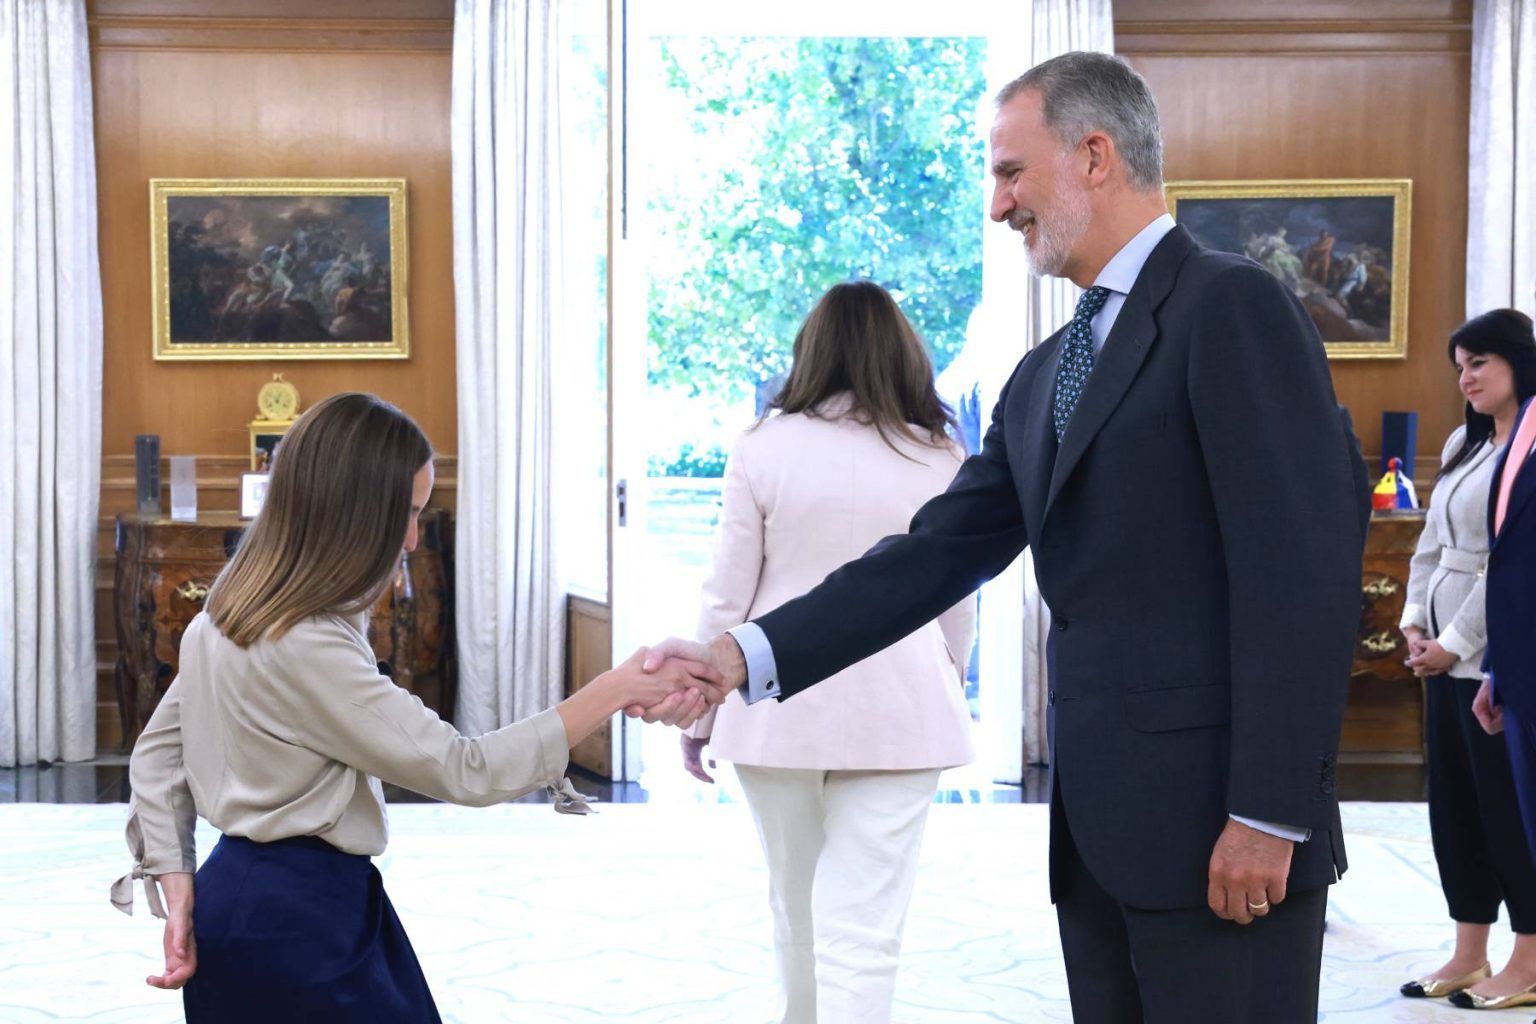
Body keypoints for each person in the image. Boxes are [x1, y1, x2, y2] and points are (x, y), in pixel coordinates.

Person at [644, 51, 1367, 1024]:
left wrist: (1270, 809)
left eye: (1010, 172)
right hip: (1101, 842)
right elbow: (932, 556)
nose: (997, 205)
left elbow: (1301, 574)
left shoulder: (1229, 306)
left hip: (1223, 833)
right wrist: (742, 654)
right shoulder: (1045, 374)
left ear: (1096, 155)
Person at [111, 392, 725, 1023]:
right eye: (405, 513)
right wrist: (617, 687)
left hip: (246, 902)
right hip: (297, 926)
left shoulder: (227, 614)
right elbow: (467, 769)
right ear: (351, 512)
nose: (410, 537)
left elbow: (158, 754)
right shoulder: (306, 642)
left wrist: (176, 874)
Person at [680, 281, 975, 1023]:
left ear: (810, 352)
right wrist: (951, 679)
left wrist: (702, 712)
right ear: (904, 355)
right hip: (905, 709)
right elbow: (954, 602)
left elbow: (728, 593)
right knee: (867, 925)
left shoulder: (762, 446)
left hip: (776, 705)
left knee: (796, 906)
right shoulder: (939, 455)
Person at [1396, 310, 1536, 1007]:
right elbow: (1430, 542)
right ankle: (1469, 953)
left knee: (1506, 809)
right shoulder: (1463, 442)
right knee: (1454, 808)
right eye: (1459, 366)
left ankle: (1529, 959)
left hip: (1495, 651)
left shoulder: (1534, 448)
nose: (1466, 378)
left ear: (1517, 362)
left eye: (1478, 362)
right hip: (1440, 652)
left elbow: (1510, 564)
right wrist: (1414, 622)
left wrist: (1454, 642)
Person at [1468, 313, 1536, 1017]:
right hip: (1518, 666)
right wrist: (1496, 668)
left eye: (1478, 361)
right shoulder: (1511, 436)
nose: (1467, 376)